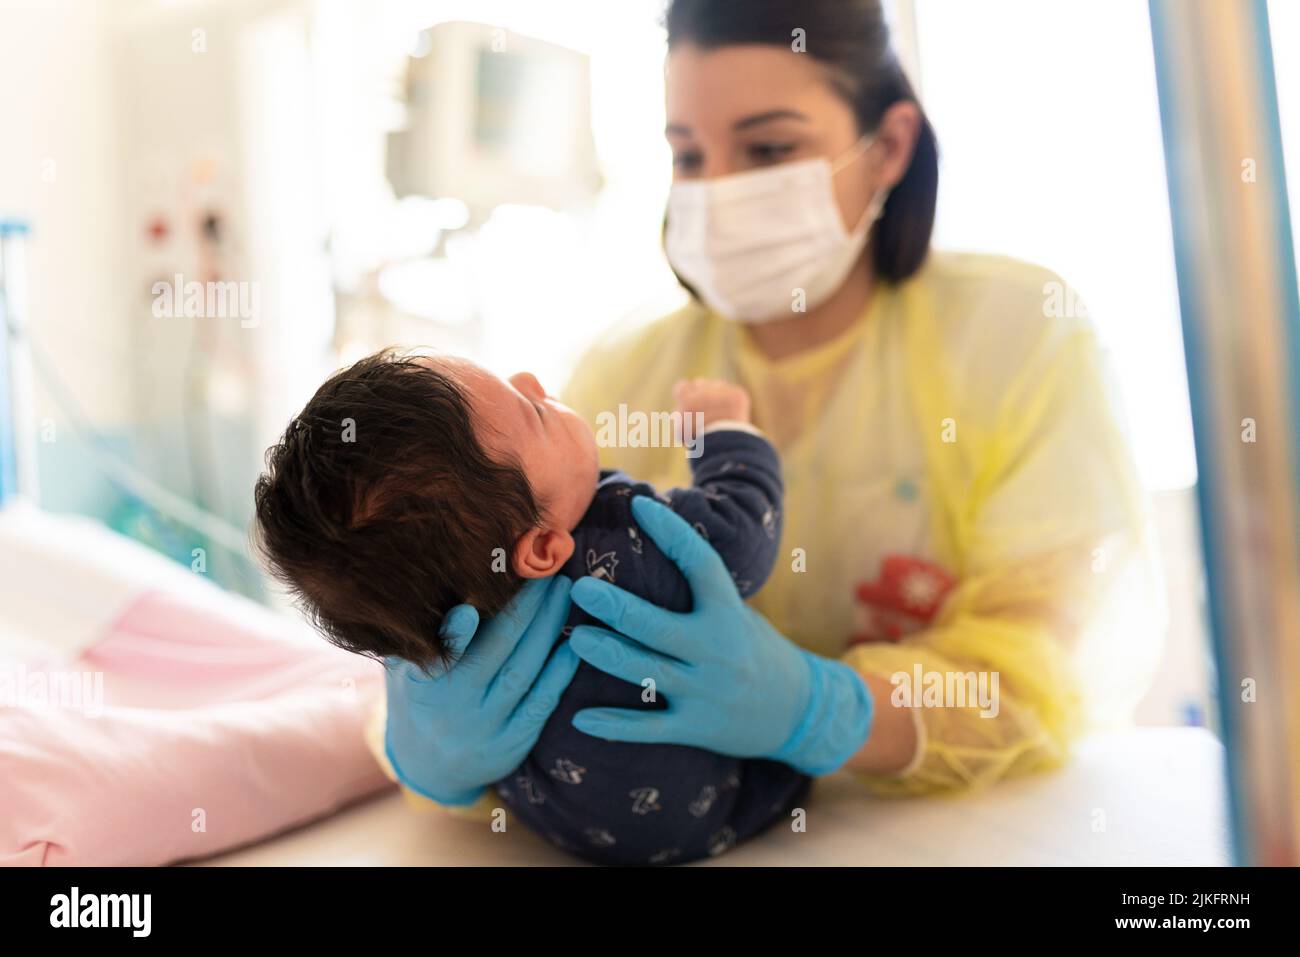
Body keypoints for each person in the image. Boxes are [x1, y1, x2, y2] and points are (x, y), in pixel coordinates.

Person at [370, 0, 1163, 832]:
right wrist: (433, 730)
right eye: (688, 154)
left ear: (888, 146)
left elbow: (1046, 668)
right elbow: (479, 606)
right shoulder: (623, 371)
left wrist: (828, 709)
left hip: (970, 829)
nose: (717, 189)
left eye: (770, 148)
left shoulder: (1016, 336)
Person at [255, 350, 840, 863]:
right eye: (532, 411)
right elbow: (740, 537)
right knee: (792, 776)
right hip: (709, 814)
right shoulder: (629, 540)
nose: (533, 379)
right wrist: (727, 432)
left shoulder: (449, 611)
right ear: (540, 548)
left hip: (557, 828)